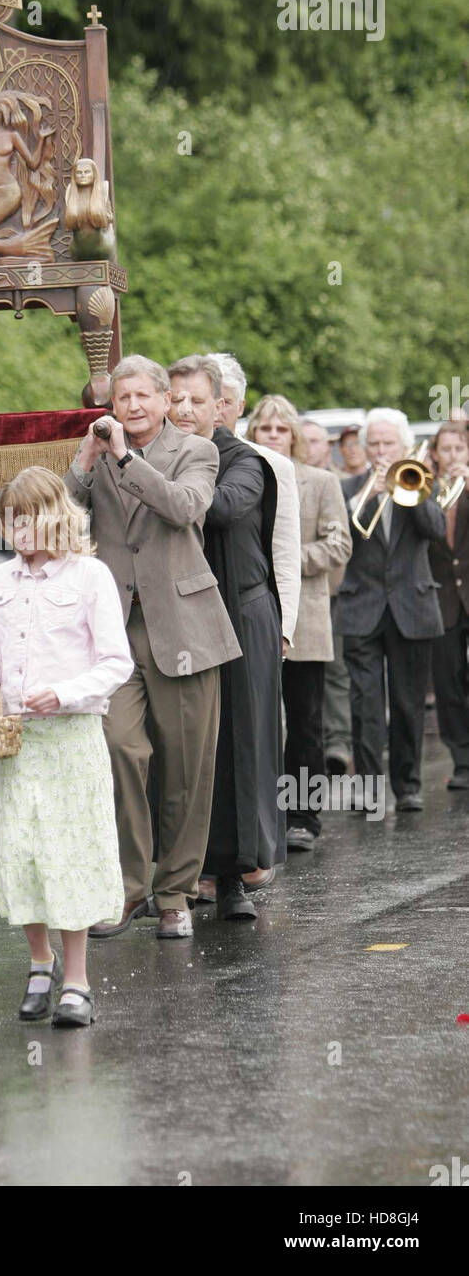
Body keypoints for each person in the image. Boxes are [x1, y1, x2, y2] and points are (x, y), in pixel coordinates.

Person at [66, 355, 240, 940]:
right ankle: (127, 887)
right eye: (123, 398)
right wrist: (86, 462)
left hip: (185, 628)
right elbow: (61, 517)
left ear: (166, 400)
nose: (133, 407)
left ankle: (175, 895)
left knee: (188, 770)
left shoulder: (198, 450)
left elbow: (186, 507)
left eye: (144, 396)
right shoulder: (101, 449)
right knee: (117, 749)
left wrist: (123, 458)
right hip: (115, 630)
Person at [0, 467, 132, 1028]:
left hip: (72, 738)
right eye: (11, 518)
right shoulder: (0, 584)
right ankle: (40, 963)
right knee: (25, 851)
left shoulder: (90, 576)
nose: (19, 527)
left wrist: (62, 693)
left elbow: (116, 662)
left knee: (71, 854)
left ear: (56, 514)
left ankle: (78, 979)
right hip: (19, 740)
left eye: (30, 515)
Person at [169, 357, 283, 919]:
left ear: (221, 405)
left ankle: (234, 874)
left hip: (242, 614)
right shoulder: (158, 455)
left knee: (238, 742)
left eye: (197, 400)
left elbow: (225, 508)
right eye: (177, 399)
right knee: (187, 747)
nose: (184, 410)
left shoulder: (245, 460)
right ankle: (183, 875)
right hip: (181, 618)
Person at [208, 352, 301, 892]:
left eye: (222, 398)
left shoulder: (269, 464)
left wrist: (285, 627)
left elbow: (283, 551)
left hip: (256, 610)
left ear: (238, 404)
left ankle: (260, 849)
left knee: (261, 734)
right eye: (202, 397)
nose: (214, 407)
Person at [247, 396, 351, 847]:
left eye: (280, 430)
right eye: (264, 430)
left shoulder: (321, 481)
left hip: (305, 618)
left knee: (305, 723)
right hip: (255, 616)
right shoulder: (245, 477)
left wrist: (287, 559)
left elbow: (339, 545)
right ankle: (264, 814)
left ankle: (304, 818)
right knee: (260, 723)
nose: (272, 437)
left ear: (293, 436)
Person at [334, 408, 445, 812]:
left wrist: (405, 492)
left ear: (403, 446)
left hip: (412, 607)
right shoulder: (349, 488)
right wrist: (372, 496)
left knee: (407, 702)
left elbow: (435, 530)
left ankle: (408, 785)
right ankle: (367, 791)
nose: (381, 451)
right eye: (375, 444)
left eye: (388, 444)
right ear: (365, 448)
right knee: (364, 707)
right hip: (361, 607)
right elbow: (344, 538)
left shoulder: (419, 482)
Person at [302, 419, 353, 774]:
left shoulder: (333, 479)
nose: (310, 447)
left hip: (340, 593)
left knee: (336, 674)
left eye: (317, 441)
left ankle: (338, 744)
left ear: (327, 446)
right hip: (309, 596)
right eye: (304, 440)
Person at [428, 421, 469, 789]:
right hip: (441, 598)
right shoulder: (423, 488)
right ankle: (462, 760)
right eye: (447, 449)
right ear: (436, 453)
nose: (453, 455)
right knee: (448, 682)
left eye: (460, 448)